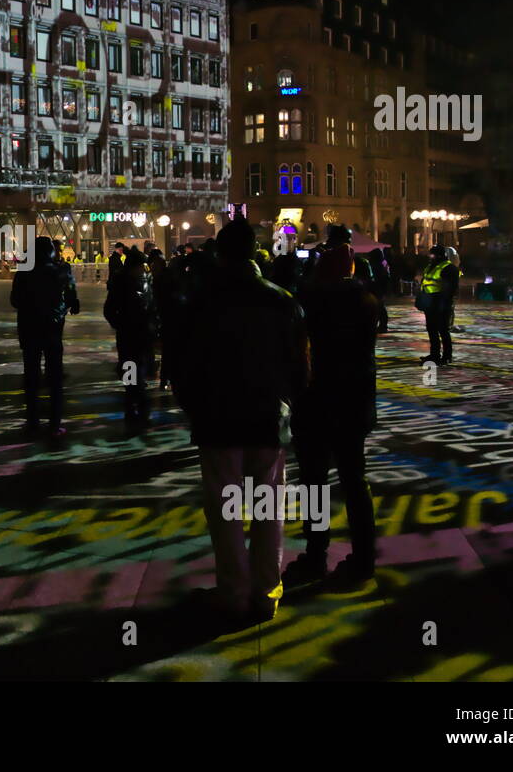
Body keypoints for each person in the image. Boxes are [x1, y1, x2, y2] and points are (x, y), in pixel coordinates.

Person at [184, 216, 308, 625]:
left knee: (224, 510)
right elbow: (299, 367)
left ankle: (234, 591)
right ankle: (267, 592)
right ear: (256, 252)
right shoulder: (283, 300)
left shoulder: (202, 301)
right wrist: (290, 405)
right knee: (269, 506)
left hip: (218, 418)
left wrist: (194, 408)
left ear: (220, 254)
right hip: (267, 417)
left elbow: (188, 365)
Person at [283, 244, 379, 587]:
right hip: (353, 402)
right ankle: (364, 558)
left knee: (314, 482)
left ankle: (316, 553)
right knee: (355, 481)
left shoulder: (306, 302)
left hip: (315, 401)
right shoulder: (365, 302)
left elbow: (296, 351)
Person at [11, 235, 80, 438]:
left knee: (31, 377)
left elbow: (15, 300)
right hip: (52, 329)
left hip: (29, 330)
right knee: (54, 377)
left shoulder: (23, 272)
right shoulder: (60, 271)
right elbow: (72, 299)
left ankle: (32, 421)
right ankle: (54, 423)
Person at [103, 247, 158, 435]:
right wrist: (121, 324)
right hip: (130, 333)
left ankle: (137, 403)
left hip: (141, 333)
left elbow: (152, 306)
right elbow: (110, 309)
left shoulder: (146, 281)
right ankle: (134, 403)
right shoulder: (123, 282)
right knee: (130, 368)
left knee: (138, 368)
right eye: (141, 265)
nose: (144, 269)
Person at [418, 244, 459, 365]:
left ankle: (447, 356)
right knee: (431, 330)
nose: (430, 256)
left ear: (439, 255)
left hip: (441, 303)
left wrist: (444, 303)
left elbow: (450, 288)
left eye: (432, 254)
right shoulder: (430, 266)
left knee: (443, 330)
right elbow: (425, 282)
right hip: (429, 302)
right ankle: (434, 354)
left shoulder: (449, 268)